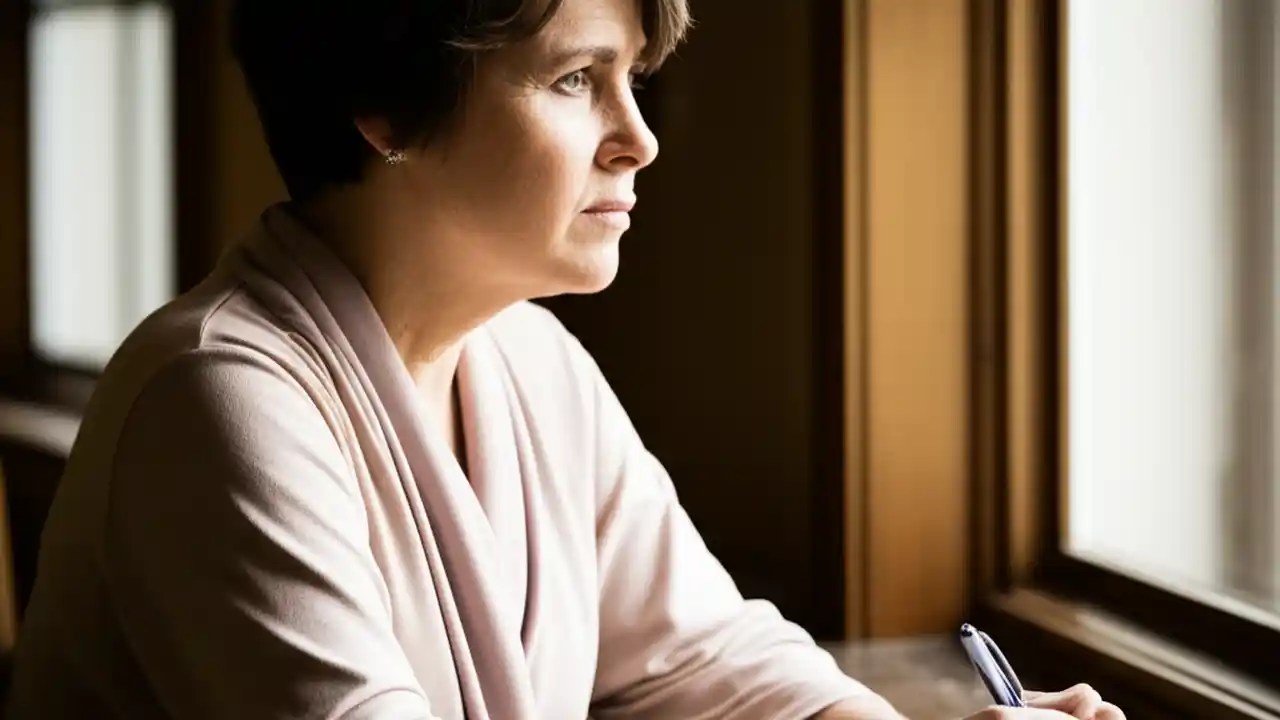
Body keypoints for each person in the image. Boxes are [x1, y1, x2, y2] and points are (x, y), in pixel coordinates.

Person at [5, 0, 1125, 718]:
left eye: (632, 76)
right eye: (572, 79)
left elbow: (701, 659)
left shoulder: (530, 361)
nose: (639, 137)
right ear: (386, 107)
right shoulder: (219, 405)